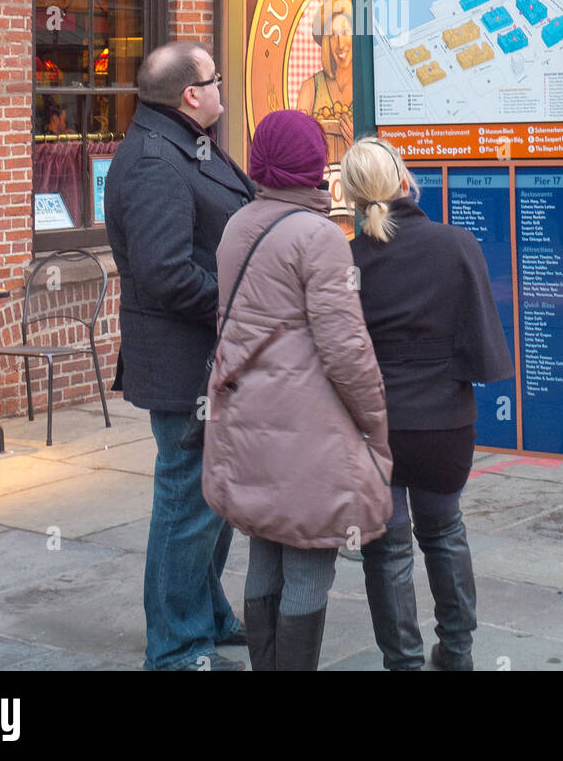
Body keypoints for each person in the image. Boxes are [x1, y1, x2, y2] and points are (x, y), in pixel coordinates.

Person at [202, 110, 392, 672]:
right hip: (308, 424)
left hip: (249, 418)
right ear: (312, 165)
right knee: (310, 555)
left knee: (265, 541)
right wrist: (375, 421)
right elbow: (345, 350)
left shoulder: (238, 225)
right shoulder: (319, 237)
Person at [104, 41, 254, 672]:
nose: (223, 89)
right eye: (216, 80)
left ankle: (207, 612)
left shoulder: (183, 141)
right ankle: (175, 644)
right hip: (184, 362)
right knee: (187, 500)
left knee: (211, 500)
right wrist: (244, 301)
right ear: (191, 95)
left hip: (211, 357)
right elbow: (166, 274)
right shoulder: (154, 162)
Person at [341, 137, 514, 672]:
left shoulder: (345, 260)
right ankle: (458, 652)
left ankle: (405, 663)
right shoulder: (455, 245)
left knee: (387, 549)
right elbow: (484, 350)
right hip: (444, 424)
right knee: (444, 532)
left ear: (348, 195)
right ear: (404, 181)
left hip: (376, 429)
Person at [296, 0, 354, 163]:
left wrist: (357, 148)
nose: (340, 44)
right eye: (332, 35)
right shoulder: (310, 88)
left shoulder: (369, 87)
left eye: (345, 32)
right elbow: (297, 152)